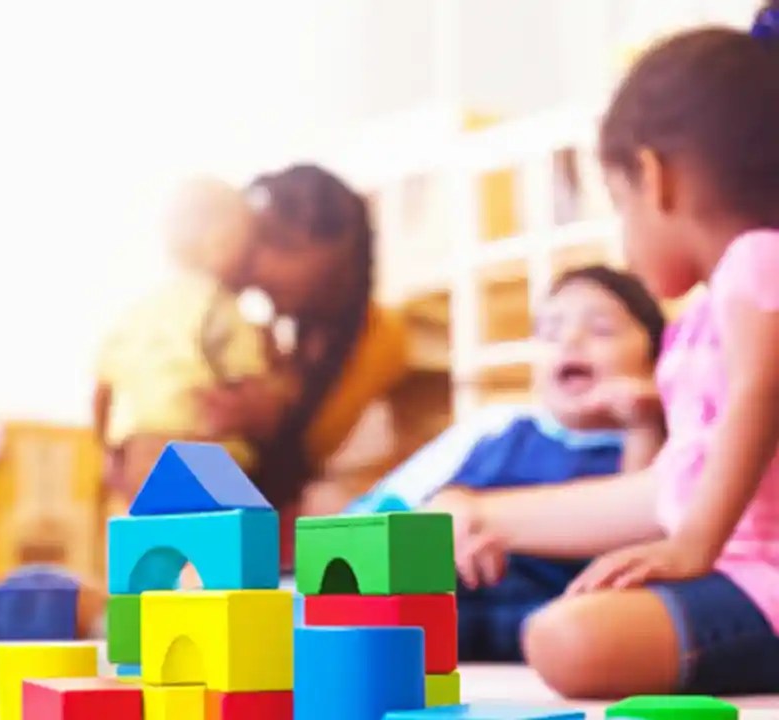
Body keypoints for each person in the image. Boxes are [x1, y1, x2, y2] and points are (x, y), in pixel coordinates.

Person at [439, 3, 779, 697]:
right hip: (738, 569)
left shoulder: (757, 260)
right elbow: (677, 479)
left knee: (567, 639)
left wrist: (691, 547)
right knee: (559, 628)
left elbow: (758, 394)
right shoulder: (707, 317)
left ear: (657, 180)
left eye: (619, 205)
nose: (624, 233)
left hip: (758, 575)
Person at [350, 266, 666, 662]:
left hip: (563, 604)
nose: (570, 340)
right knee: (381, 600)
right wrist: (456, 511)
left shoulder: (652, 443)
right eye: (550, 332)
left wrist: (644, 425)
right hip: (472, 588)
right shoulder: (512, 433)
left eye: (601, 330)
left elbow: (640, 520)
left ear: (656, 360)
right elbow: (453, 496)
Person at [196, 164, 410, 566]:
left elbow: (339, 464)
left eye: (279, 246)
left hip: (332, 522)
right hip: (267, 521)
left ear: (336, 253)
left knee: (322, 504)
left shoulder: (382, 338)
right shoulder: (264, 333)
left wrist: (270, 417)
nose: (258, 268)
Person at [94, 177, 272, 501]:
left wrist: (109, 453)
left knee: (153, 542)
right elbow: (251, 387)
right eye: (250, 245)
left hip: (139, 453)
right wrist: (265, 410)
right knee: (238, 541)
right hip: (203, 450)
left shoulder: (138, 308)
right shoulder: (220, 306)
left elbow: (102, 392)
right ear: (223, 242)